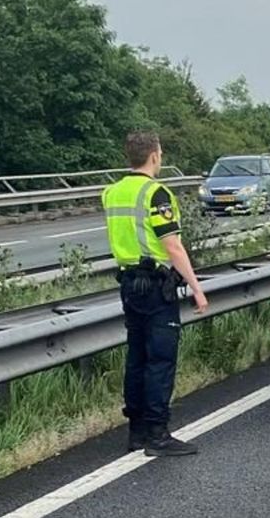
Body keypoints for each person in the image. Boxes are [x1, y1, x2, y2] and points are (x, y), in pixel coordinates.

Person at [102, 131, 208, 457]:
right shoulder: (157, 194)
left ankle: (136, 432)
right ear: (154, 156)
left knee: (137, 357)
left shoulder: (111, 192)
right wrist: (197, 288)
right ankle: (158, 435)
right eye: (160, 153)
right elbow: (172, 246)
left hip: (129, 285)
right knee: (160, 359)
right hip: (156, 286)